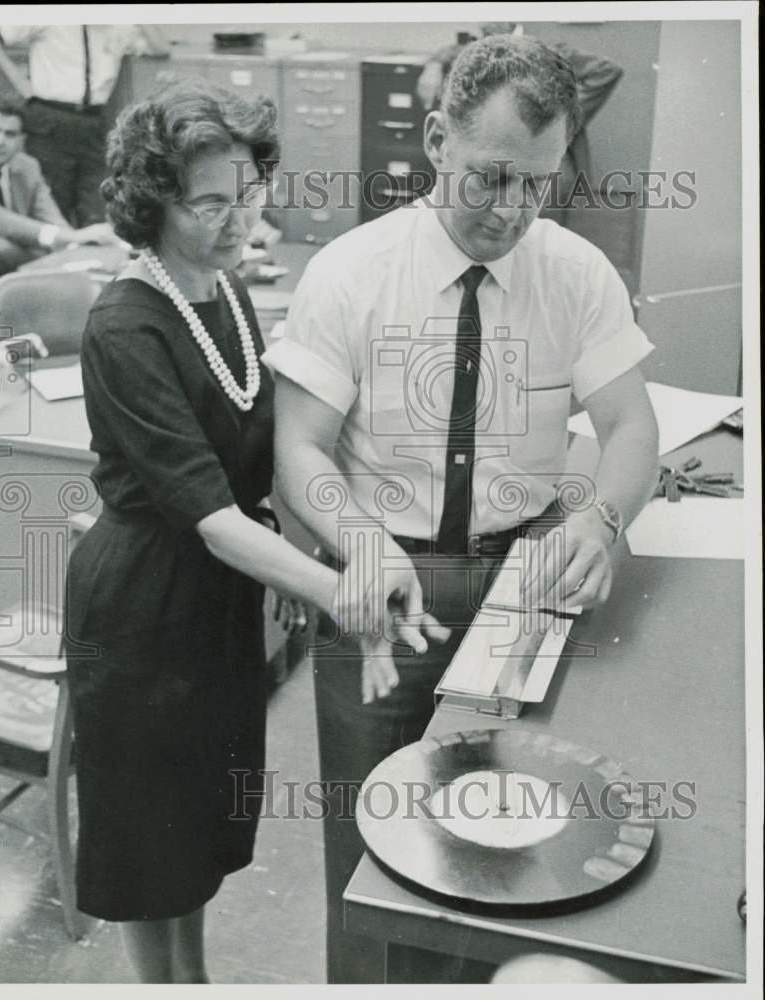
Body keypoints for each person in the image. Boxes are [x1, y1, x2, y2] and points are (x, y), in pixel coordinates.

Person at [265, 33, 659, 983]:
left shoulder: (575, 274)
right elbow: (298, 449)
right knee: (370, 855)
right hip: (380, 589)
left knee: (505, 848)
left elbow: (631, 426)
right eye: (493, 177)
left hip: (521, 587)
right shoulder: (353, 272)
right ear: (438, 139)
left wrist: (600, 520)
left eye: (538, 183)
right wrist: (361, 542)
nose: (513, 209)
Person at [63, 77, 443, 984]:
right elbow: (212, 518)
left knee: (194, 834)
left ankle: (190, 982)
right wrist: (343, 592)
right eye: (210, 204)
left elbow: (269, 454)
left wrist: (340, 549)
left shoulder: (226, 291)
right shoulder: (124, 324)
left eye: (250, 193)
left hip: (215, 608)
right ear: (154, 202)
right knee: (148, 844)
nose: (239, 220)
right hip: (144, 612)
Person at [416, 23, 624, 227]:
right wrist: (434, 64)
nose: (488, 21)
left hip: (548, 166)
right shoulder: (481, 48)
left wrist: (561, 116)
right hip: (496, 162)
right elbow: (452, 51)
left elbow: (606, 70)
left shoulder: (549, 52)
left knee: (535, 231)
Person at [0, 24, 169, 226]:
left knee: (99, 207)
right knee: (51, 209)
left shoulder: (116, 25)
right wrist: (17, 78)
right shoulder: (48, 15)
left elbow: (160, 47)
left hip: (94, 120)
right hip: (50, 118)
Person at [0, 100, 120, 321]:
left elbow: (50, 215)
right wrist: (73, 238)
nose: (0, 141)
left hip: (17, 258)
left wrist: (77, 244)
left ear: (22, 140)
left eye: (10, 134)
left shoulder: (27, 166)